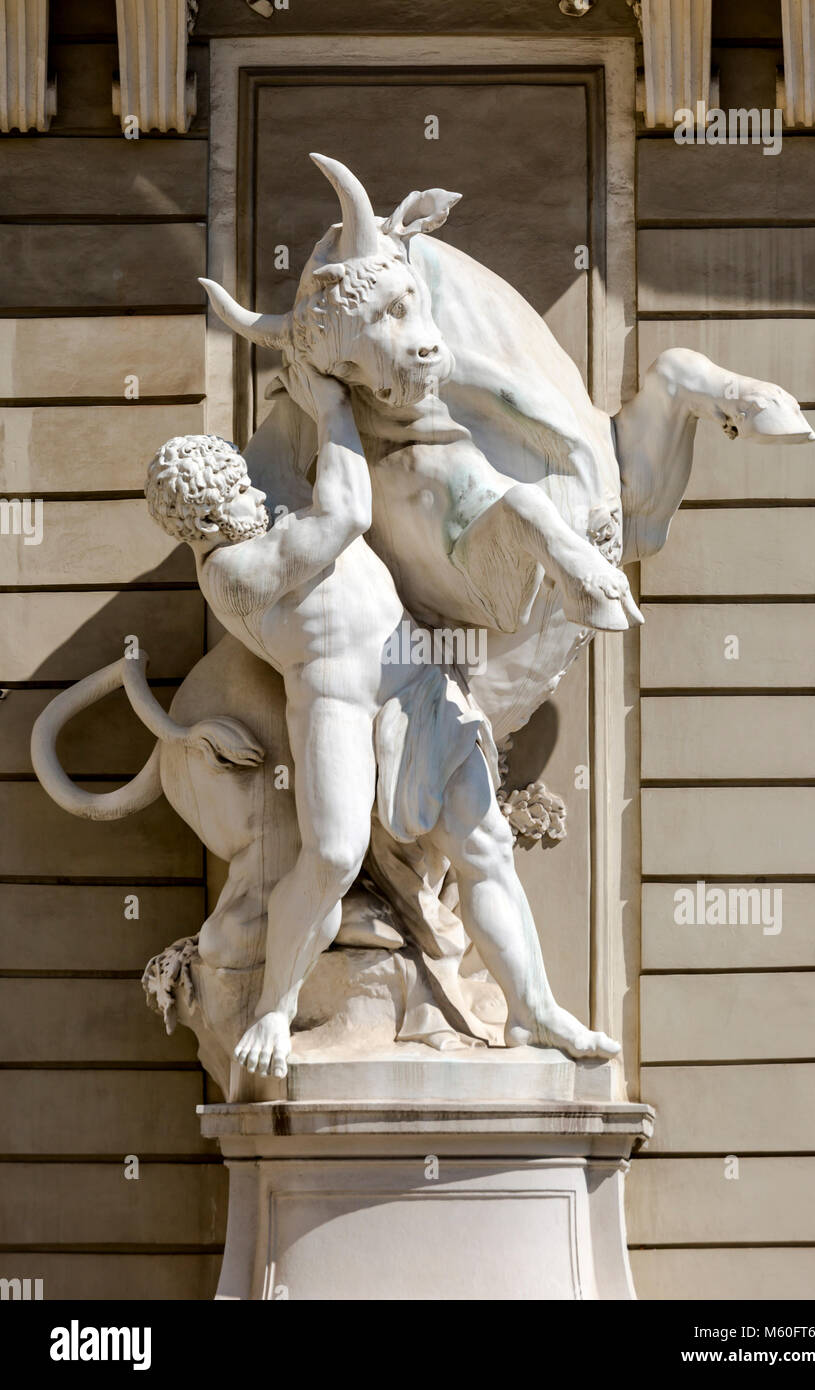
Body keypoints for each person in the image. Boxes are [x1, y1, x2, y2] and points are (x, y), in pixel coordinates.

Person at [145, 372, 619, 1077]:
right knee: (333, 858)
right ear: (204, 527)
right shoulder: (232, 571)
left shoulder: (270, 521)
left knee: (485, 846)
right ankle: (276, 1007)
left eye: (241, 485)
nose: (248, 500)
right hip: (335, 708)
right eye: (228, 500)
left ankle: (534, 1011)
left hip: (417, 685)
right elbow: (345, 516)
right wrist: (332, 404)